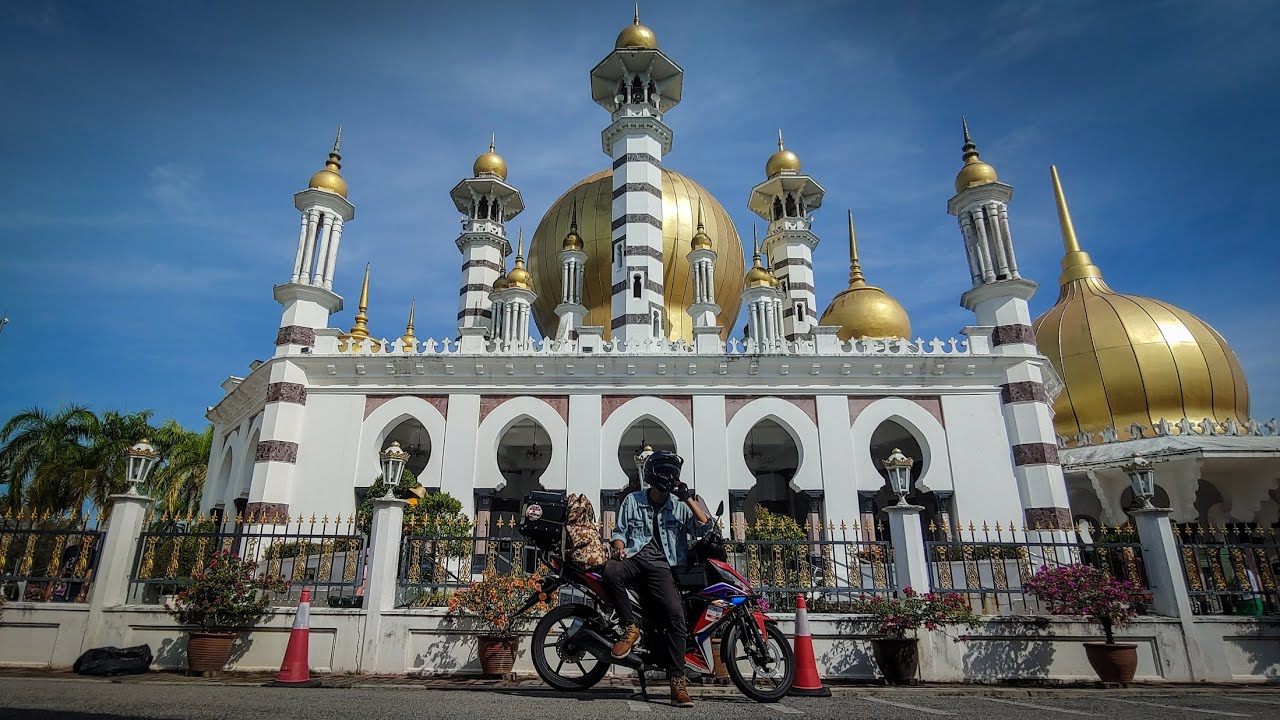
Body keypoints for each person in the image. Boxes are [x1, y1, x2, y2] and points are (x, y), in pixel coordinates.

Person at [603, 450, 712, 708]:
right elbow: (619, 532)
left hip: (664, 567)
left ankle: (677, 682)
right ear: (653, 475)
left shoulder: (678, 505)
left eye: (672, 474)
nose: (669, 478)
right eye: (665, 472)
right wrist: (619, 547)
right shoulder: (632, 500)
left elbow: (704, 527)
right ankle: (630, 627)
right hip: (634, 557)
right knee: (610, 570)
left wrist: (688, 499)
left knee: (676, 616)